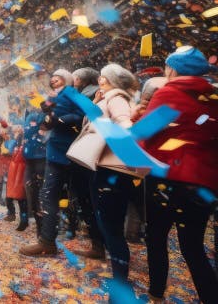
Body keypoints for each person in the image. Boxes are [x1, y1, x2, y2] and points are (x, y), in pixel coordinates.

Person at [140, 47, 218, 303]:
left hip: (167, 177)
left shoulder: (169, 92)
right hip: (204, 181)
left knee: (157, 236)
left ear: (172, 69)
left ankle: (156, 292)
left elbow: (146, 133)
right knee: (193, 246)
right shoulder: (213, 95)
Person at [20, 69, 83, 256]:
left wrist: (58, 119)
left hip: (70, 152)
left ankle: (91, 240)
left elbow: (80, 117)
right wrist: (46, 114)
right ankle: (47, 241)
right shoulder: (52, 98)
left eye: (58, 79)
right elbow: (44, 123)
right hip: (56, 152)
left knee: (72, 197)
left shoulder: (72, 96)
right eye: (52, 79)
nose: (53, 82)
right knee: (49, 195)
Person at [88, 64, 140, 286]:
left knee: (112, 228)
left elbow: (124, 123)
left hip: (112, 171)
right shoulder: (107, 97)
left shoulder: (116, 97)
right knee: (108, 226)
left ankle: (120, 280)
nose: (99, 78)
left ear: (106, 79)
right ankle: (118, 274)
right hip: (106, 168)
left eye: (102, 75)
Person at [67, 67, 106, 260]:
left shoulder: (87, 95)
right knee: (91, 201)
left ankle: (99, 245)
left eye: (73, 77)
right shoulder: (91, 94)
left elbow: (82, 120)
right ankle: (99, 243)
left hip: (87, 157)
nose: (70, 80)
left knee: (88, 200)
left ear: (81, 79)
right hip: (91, 156)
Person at [22, 109, 47, 237]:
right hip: (29, 158)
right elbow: (26, 132)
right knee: (30, 191)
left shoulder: (46, 113)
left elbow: (46, 129)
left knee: (41, 194)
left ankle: (43, 230)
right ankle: (39, 226)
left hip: (41, 158)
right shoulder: (29, 114)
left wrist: (39, 122)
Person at [5, 125, 28, 231]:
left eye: (18, 130)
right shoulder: (16, 143)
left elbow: (22, 156)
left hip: (20, 172)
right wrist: (15, 140)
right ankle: (14, 215)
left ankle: (24, 221)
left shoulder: (25, 143)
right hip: (14, 172)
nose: (16, 132)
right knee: (11, 197)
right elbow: (10, 151)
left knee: (21, 198)